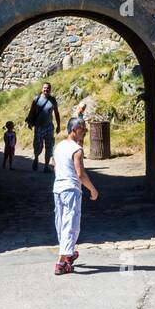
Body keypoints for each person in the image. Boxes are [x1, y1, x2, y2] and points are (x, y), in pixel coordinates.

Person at [52, 116, 98, 275]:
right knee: (71, 225)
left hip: (58, 189)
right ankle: (61, 262)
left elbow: (55, 167)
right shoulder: (76, 150)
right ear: (74, 130)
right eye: (82, 129)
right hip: (71, 190)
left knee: (61, 223)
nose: (84, 132)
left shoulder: (59, 146)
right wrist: (92, 189)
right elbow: (80, 174)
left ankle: (68, 253)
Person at [26, 81, 61, 171]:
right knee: (38, 146)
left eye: (48, 88)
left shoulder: (53, 100)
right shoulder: (36, 99)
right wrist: (30, 122)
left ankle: (46, 166)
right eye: (45, 88)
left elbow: (56, 113)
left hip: (49, 127)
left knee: (49, 146)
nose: (46, 89)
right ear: (42, 89)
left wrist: (58, 125)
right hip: (39, 127)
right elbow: (32, 112)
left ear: (50, 89)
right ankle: (36, 158)